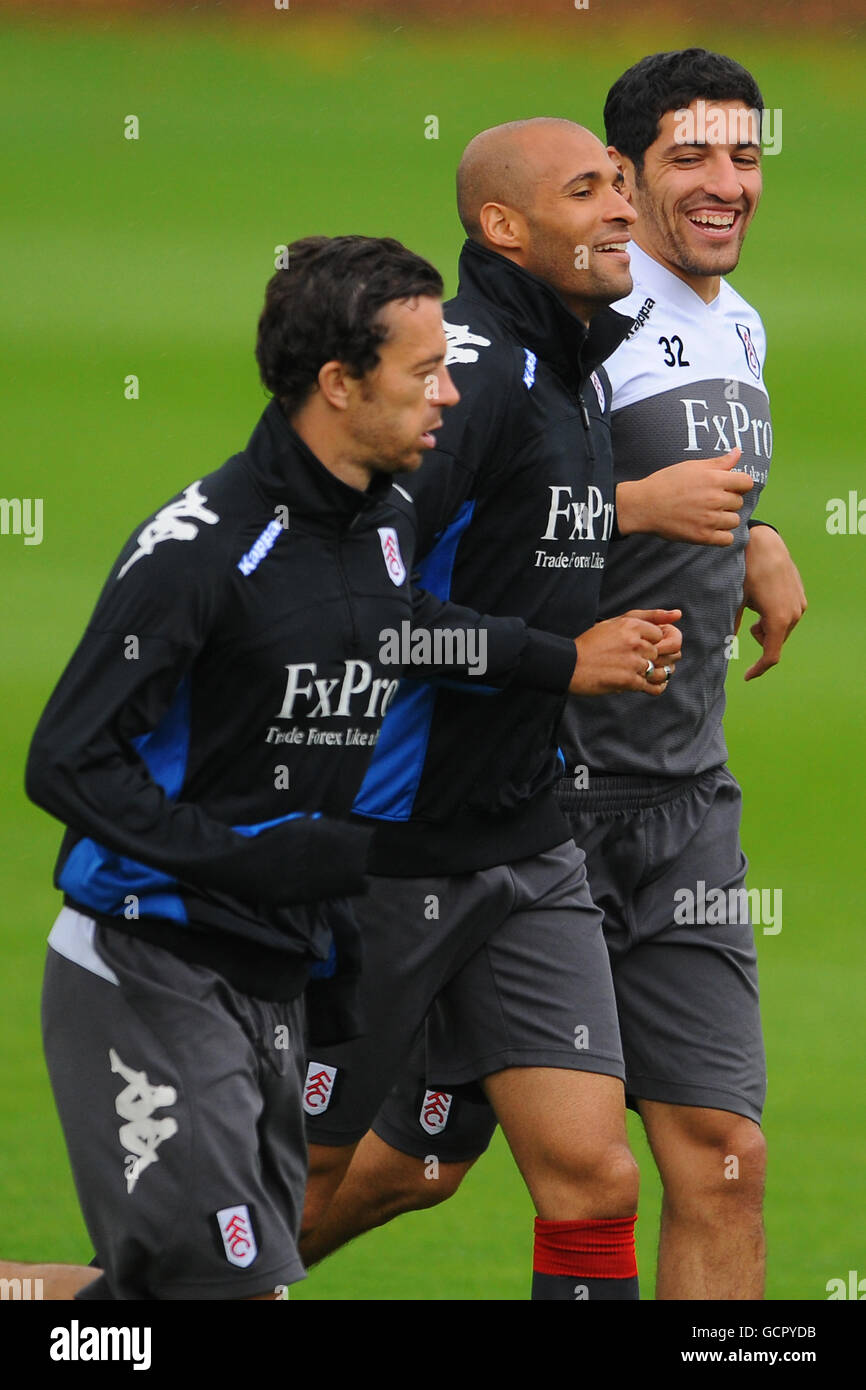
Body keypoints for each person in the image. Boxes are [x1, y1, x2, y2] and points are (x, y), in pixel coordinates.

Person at [21, 234, 624, 1301]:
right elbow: (66, 762)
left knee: (196, 1289)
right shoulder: (200, 554)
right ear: (340, 384)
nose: (449, 393)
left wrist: (560, 662)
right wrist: (248, 862)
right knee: (215, 1284)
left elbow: (408, 627)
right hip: (152, 963)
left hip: (275, 971)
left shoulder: (377, 529)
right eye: (424, 372)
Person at [305, 54, 806, 1303]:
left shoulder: (727, 321)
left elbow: (648, 498)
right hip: (528, 805)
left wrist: (752, 534)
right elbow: (431, 542)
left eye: (742, 155)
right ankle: (108, 1298)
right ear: (624, 177)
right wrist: (638, 508)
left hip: (679, 799)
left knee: (714, 1155)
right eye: (684, 159)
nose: (721, 184)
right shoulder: (560, 330)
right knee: (402, 1168)